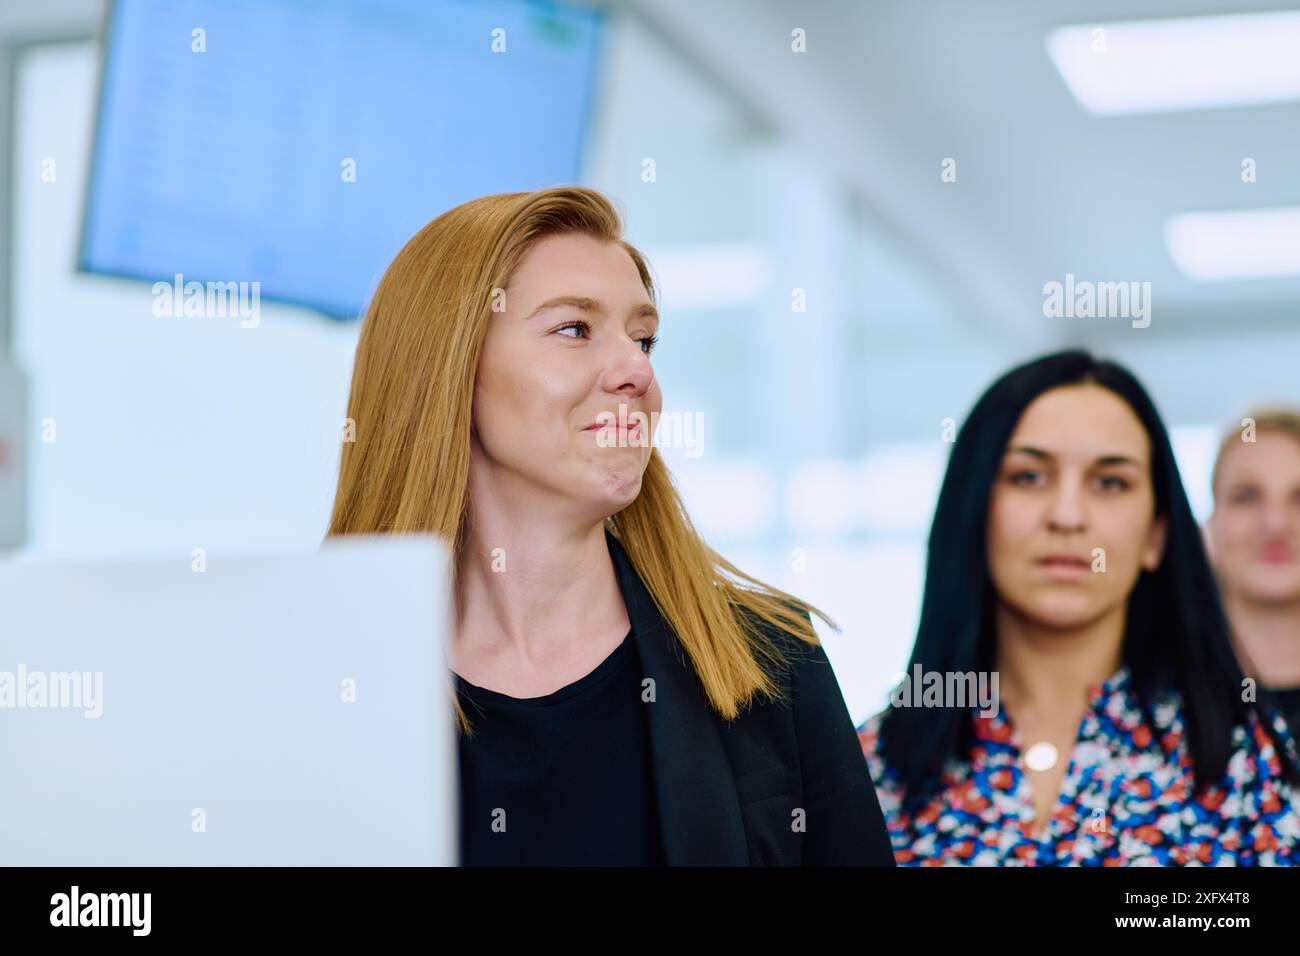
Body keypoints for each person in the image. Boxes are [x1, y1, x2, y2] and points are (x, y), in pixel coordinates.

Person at [326, 185, 893, 866]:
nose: (637, 370)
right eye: (575, 329)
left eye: (644, 337)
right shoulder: (323, 682)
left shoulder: (772, 662)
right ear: (448, 369)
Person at [858, 350, 1300, 865]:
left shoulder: (1245, 759)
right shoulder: (870, 767)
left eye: (1110, 482)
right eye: (1028, 476)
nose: (1067, 516)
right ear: (974, 510)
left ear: (1157, 535)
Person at [1208, 408, 1300, 737]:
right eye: (1245, 497)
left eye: (1299, 498)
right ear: (1210, 528)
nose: (1275, 523)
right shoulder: (1143, 707)